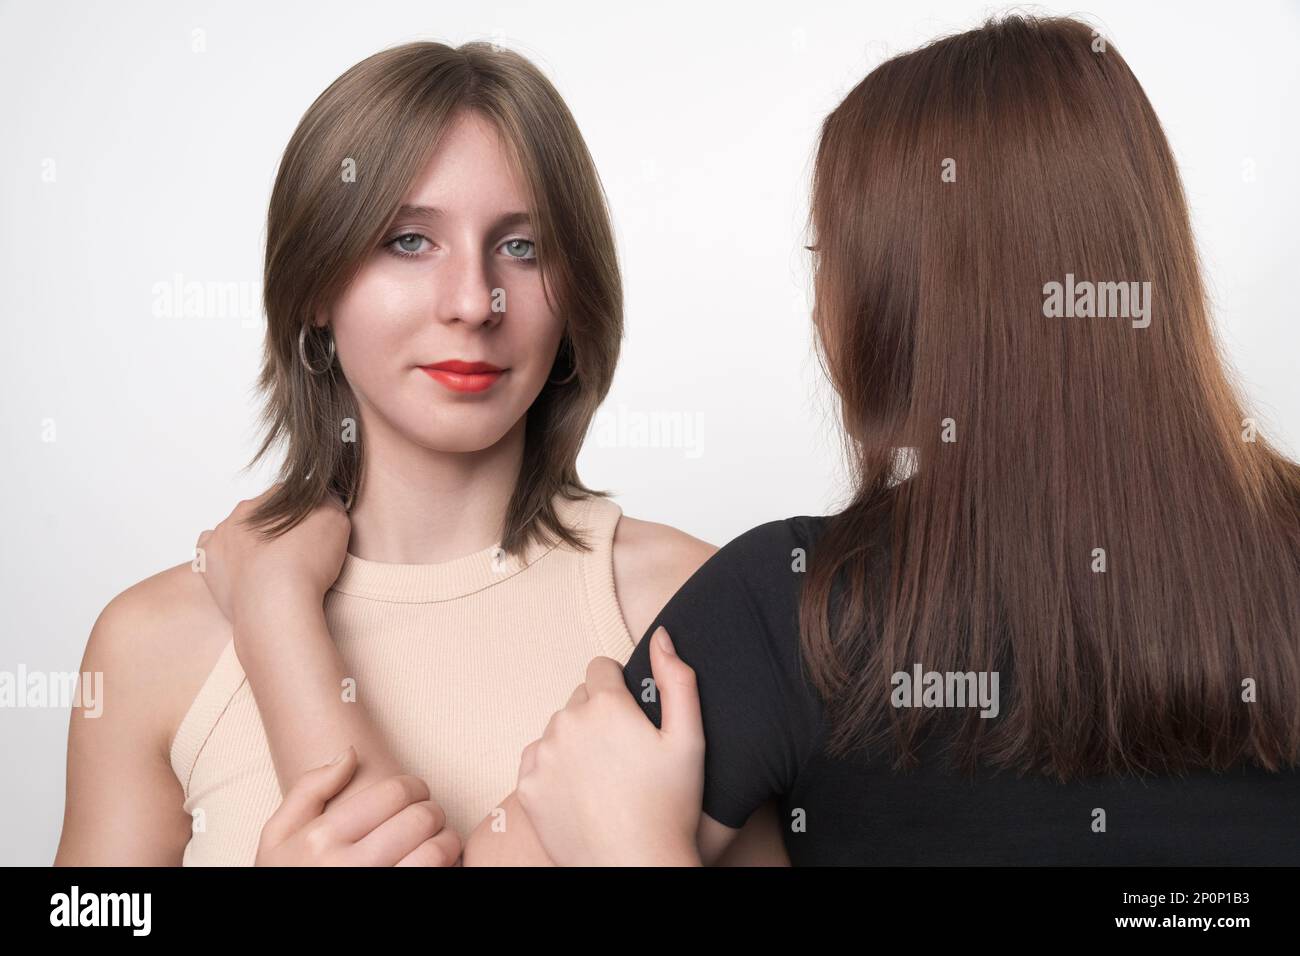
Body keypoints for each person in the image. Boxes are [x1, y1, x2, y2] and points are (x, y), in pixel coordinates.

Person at [503, 14, 1300, 866]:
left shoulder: (788, 610)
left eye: (829, 261)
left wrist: (634, 851)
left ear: (894, 304)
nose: (818, 311)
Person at [54, 40, 786, 866]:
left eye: (523, 247)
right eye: (408, 241)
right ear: (315, 288)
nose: (474, 301)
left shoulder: (693, 609)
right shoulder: (148, 642)